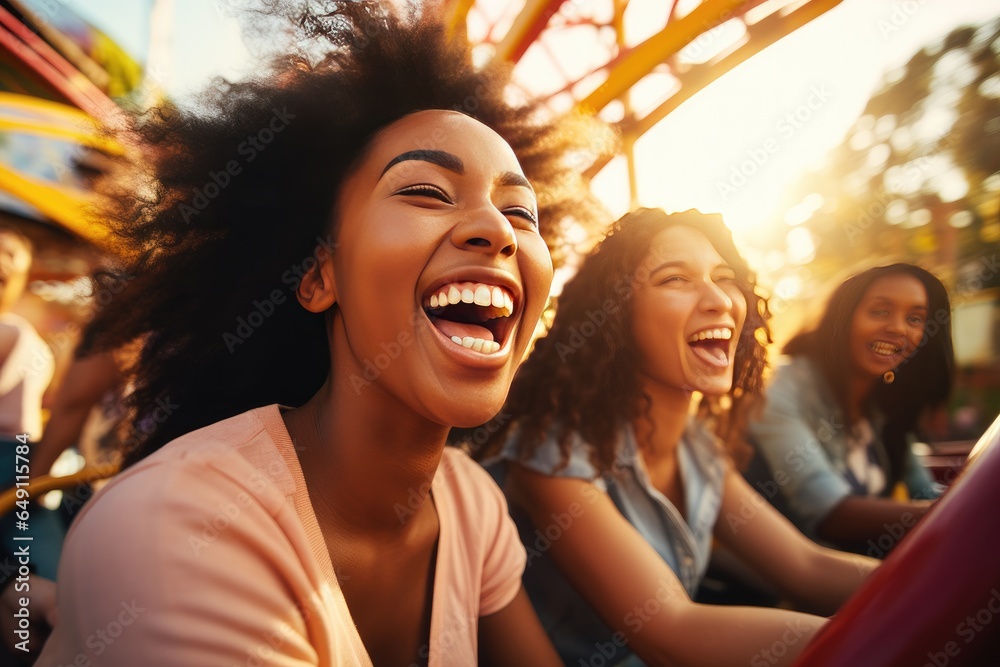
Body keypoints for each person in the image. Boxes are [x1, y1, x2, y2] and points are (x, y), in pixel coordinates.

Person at [36, 3, 608, 665]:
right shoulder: (172, 527)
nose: (499, 230)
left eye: (520, 211)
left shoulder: (470, 503)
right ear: (318, 277)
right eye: (425, 190)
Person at [474, 208, 877, 666]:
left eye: (723, 277)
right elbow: (672, 632)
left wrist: (941, 577)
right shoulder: (551, 454)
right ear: (616, 318)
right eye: (675, 280)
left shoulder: (697, 447)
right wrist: (875, 643)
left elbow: (806, 567)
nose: (719, 300)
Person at [744, 263, 953, 554]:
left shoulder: (886, 402)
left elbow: (924, 492)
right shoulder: (782, 388)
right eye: (880, 311)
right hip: (791, 588)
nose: (898, 328)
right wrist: (964, 516)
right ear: (843, 317)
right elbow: (828, 513)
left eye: (915, 318)